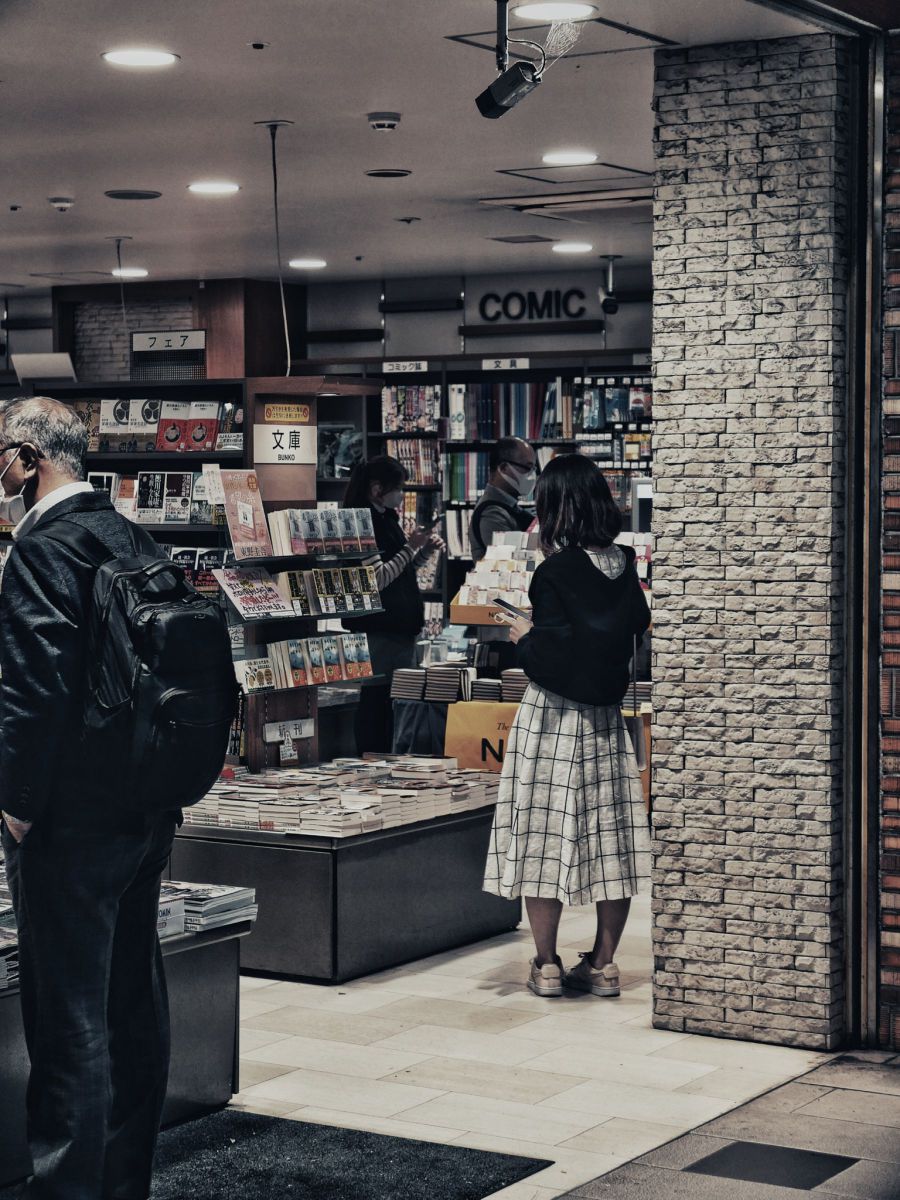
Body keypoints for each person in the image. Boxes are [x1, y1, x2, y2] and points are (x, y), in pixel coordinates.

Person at [0, 396, 177, 1199]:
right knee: (130, 1004)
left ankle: (69, 1187)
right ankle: (122, 1182)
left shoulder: (42, 550)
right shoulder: (127, 533)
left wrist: (16, 802)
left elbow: (33, 689)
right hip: (145, 807)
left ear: (27, 457)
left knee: (68, 1016)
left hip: (70, 817)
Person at [483, 453, 651, 1000]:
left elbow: (550, 658)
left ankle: (547, 964)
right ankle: (603, 965)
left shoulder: (555, 571)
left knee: (542, 836)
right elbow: (635, 625)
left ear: (556, 508)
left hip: (552, 718)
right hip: (606, 720)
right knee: (612, 842)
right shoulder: (625, 563)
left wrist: (521, 636)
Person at [343, 455, 442, 753]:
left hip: (398, 629)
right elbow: (376, 578)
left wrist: (421, 552)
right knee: (378, 701)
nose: (401, 495)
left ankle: (386, 755)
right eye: (397, 488)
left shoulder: (386, 517)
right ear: (376, 488)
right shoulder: (360, 522)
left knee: (394, 700)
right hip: (379, 629)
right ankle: (372, 756)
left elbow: (401, 570)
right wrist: (410, 547)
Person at [468, 436, 537, 562]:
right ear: (504, 468)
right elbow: (512, 563)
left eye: (533, 469)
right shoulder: (492, 513)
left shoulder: (510, 507)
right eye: (527, 468)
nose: (532, 475)